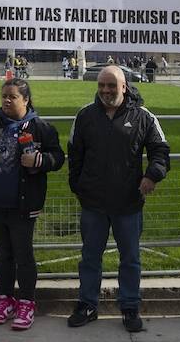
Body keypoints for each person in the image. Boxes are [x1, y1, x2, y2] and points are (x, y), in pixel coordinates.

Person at [66, 65, 170, 332]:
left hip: (128, 203)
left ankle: (130, 306)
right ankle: (87, 304)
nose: (106, 91)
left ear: (124, 86)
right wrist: (78, 186)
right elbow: (74, 154)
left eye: (111, 85)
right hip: (93, 205)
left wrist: (152, 176)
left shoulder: (143, 116)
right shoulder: (85, 116)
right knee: (90, 257)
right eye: (102, 85)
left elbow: (160, 151)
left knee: (131, 259)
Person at [0, 79, 65, 332]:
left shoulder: (41, 127)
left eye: (12, 97)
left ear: (26, 99)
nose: (6, 101)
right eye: (4, 96)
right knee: (3, 254)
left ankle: (27, 301)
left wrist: (40, 160)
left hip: (24, 203)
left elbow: (58, 158)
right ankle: (5, 299)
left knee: (23, 253)